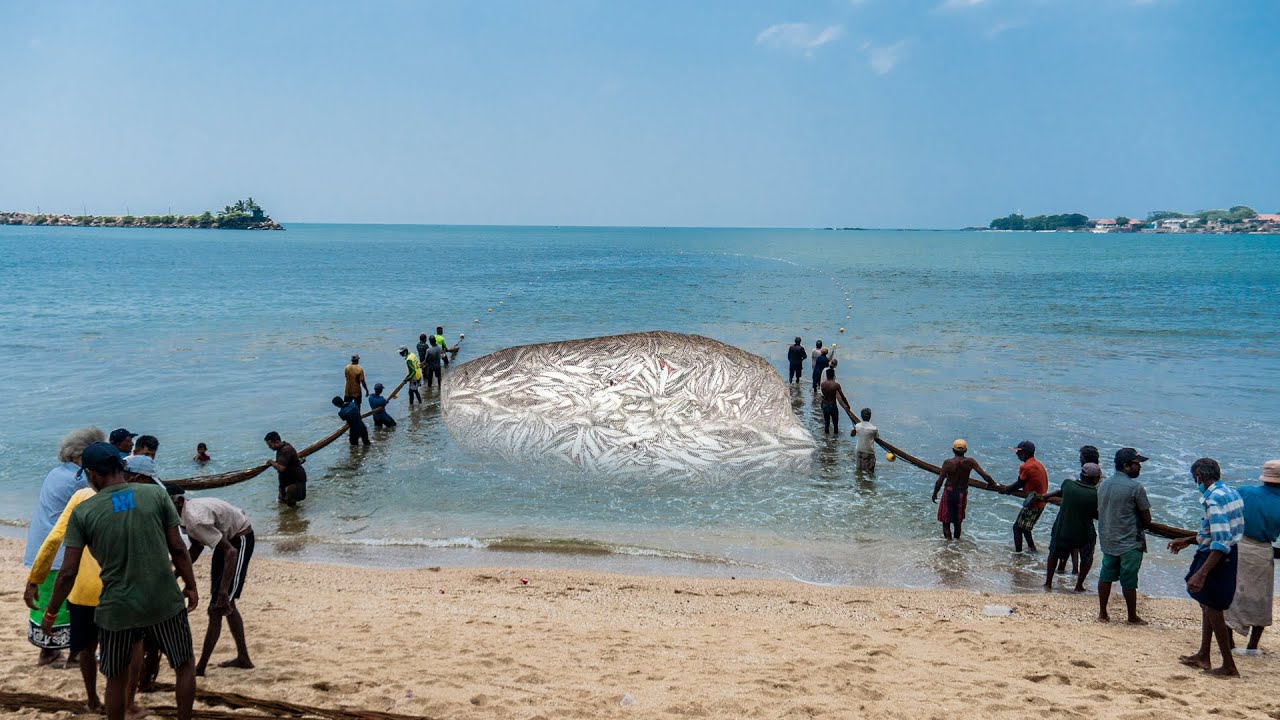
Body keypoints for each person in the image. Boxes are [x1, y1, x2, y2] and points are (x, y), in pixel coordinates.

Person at [40, 442, 199, 720]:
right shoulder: (156, 495)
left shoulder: (84, 512)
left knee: (115, 677)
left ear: (92, 474)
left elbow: (67, 572)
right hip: (163, 598)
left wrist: (51, 611)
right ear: (122, 466)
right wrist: (191, 585)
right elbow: (178, 548)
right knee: (184, 664)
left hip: (118, 606)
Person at [24, 426, 104, 665]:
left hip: (43, 545)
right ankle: (73, 654)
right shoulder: (79, 479)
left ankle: (48, 652)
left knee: (47, 598)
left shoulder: (56, 472)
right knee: (68, 601)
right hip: (58, 548)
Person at [26, 482, 105, 712]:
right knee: (125, 651)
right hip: (119, 587)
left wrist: (35, 578)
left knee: (87, 650)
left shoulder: (81, 496)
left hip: (84, 591)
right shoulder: (132, 495)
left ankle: (92, 699)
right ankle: (127, 703)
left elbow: (54, 539)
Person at [166, 486, 255, 677]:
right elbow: (195, 548)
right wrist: (175, 575)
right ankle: (243, 658)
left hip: (240, 540)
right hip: (227, 541)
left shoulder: (195, 520)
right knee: (222, 605)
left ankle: (200, 668)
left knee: (217, 607)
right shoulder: (184, 516)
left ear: (179, 502)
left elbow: (231, 552)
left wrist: (223, 592)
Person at [1168, 458, 1244, 677]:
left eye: (1195, 479)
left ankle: (1229, 666)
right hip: (1226, 552)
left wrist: (1202, 573)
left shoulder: (1214, 501)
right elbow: (1219, 531)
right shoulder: (1231, 492)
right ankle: (1203, 654)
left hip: (1219, 557)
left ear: (1200, 477)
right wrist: (1189, 539)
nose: (1196, 482)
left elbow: (1220, 542)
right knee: (1206, 603)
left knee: (1212, 607)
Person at [1225, 460, 1280, 656]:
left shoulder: (1244, 491)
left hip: (1237, 546)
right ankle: (1252, 647)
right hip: (1263, 551)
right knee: (1261, 598)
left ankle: (1229, 642)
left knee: (1231, 594)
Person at [1097, 447, 1153, 624]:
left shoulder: (1103, 484)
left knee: (1106, 575)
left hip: (1108, 538)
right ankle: (1132, 616)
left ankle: (1103, 613)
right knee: (1129, 579)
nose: (1139, 468)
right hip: (1129, 541)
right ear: (1126, 465)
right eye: (1137, 464)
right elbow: (1147, 519)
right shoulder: (1135, 488)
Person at [1042, 462, 1101, 592]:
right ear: (1096, 479)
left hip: (1062, 529)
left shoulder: (1068, 484)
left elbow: (1061, 492)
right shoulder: (1095, 495)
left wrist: (1047, 496)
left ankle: (1048, 582)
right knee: (1087, 556)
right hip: (1083, 533)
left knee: (1053, 553)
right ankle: (1079, 585)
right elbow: (1098, 515)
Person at [932, 439, 997, 540]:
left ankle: (948, 546)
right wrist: (993, 484)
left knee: (946, 522)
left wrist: (935, 493)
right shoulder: (970, 462)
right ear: (965, 450)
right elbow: (985, 476)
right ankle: (956, 544)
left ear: (953, 450)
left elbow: (939, 481)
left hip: (949, 492)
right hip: (961, 493)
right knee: (958, 522)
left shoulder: (948, 463)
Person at [1000, 440, 1049, 553]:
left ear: (1025, 453)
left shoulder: (1026, 467)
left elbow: (1019, 484)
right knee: (1025, 528)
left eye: (1018, 452)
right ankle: (1032, 549)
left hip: (1033, 502)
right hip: (1040, 501)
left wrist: (1006, 490)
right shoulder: (1038, 464)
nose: (1016, 454)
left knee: (1017, 528)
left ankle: (1018, 553)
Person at [265, 432, 307, 506]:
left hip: (295, 481)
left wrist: (271, 462)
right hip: (288, 481)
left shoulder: (286, 450)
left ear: (277, 442)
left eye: (270, 445)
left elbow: (281, 468)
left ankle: (295, 517)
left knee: (291, 504)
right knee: (282, 502)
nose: (269, 447)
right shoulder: (282, 448)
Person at [818, 368, 848, 434]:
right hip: (832, 406)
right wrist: (847, 405)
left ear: (826, 375)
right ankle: (835, 440)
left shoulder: (823, 384)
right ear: (833, 375)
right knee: (835, 424)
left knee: (826, 423)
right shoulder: (836, 385)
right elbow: (842, 396)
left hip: (824, 405)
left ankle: (826, 439)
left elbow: (823, 394)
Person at [851, 408, 878, 474]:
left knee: (859, 472)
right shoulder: (874, 429)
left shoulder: (857, 426)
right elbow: (876, 437)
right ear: (870, 416)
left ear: (861, 416)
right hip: (869, 453)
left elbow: (852, 435)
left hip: (859, 451)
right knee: (870, 473)